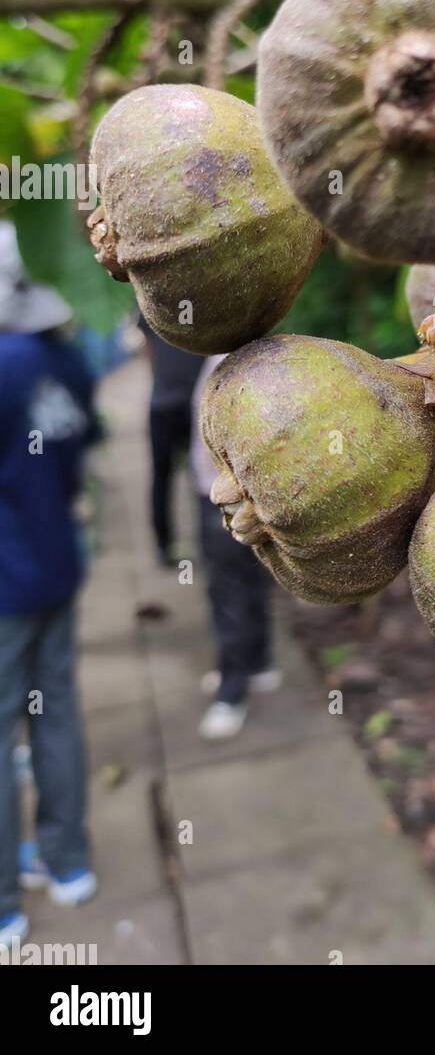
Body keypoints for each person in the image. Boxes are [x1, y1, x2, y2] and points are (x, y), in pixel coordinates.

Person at [0, 222, 100, 948]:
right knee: (57, 711)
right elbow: (78, 451)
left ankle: (4, 900)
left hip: (5, 583)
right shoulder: (61, 360)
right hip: (58, 564)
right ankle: (68, 864)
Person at [190, 356, 281, 741]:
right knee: (250, 581)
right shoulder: (249, 358)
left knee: (229, 593)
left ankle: (232, 691)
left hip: (227, 497)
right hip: (238, 494)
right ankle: (257, 663)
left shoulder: (229, 366)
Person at [139, 318, 204, 567]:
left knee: (163, 478)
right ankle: (205, 544)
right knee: (202, 476)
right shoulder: (201, 299)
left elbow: (148, 350)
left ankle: (164, 547)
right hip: (192, 402)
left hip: (167, 402)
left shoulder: (154, 299)